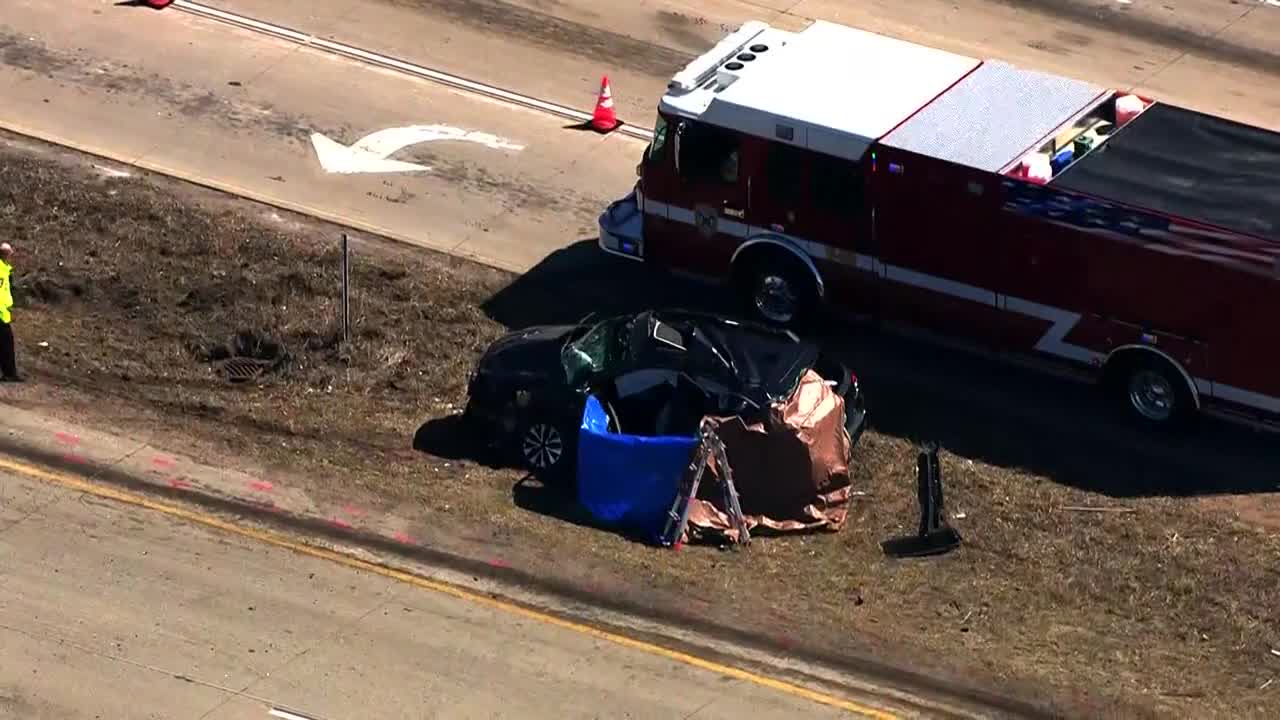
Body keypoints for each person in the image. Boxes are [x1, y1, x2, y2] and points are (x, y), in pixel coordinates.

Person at [0, 242, 21, 382]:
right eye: (8, 254)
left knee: (6, 343)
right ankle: (9, 373)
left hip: (4, 312)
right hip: (0, 313)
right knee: (6, 343)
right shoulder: (1, 270)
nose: (10, 257)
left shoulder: (6, 269)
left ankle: (9, 373)